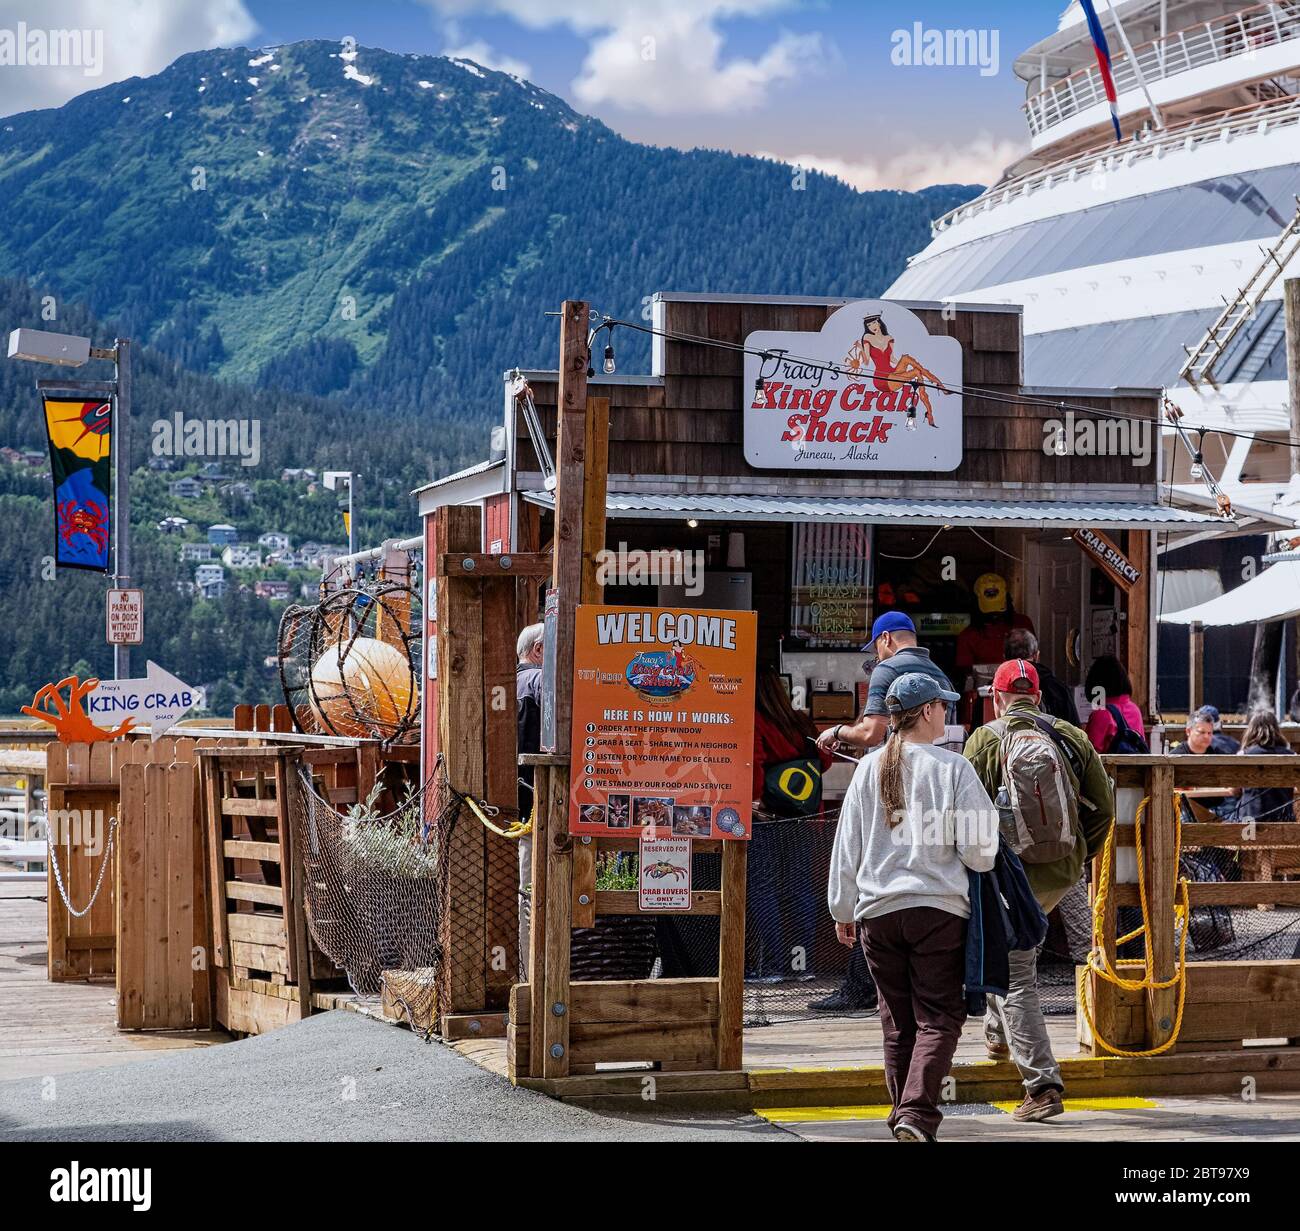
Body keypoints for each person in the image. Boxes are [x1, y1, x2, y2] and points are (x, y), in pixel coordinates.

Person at [828, 672, 998, 1141]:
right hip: (938, 911)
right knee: (939, 1017)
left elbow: (849, 847)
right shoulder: (953, 769)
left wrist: (843, 908)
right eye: (942, 705)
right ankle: (916, 1116)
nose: (946, 712)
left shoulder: (868, 768)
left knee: (898, 1022)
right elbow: (981, 853)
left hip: (877, 912)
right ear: (925, 711)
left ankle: (902, 1114)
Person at [963, 658, 1115, 1123]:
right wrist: (1072, 854)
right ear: (1040, 697)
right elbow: (1103, 810)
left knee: (1016, 970)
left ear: (997, 697)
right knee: (1013, 949)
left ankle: (1042, 1085)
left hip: (1008, 875)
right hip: (1062, 872)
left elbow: (964, 815)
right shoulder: (1071, 737)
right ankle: (997, 1033)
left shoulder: (985, 739)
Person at [748, 668, 834, 985]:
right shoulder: (799, 720)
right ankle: (802, 964)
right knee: (800, 889)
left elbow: (754, 766)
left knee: (763, 890)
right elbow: (822, 762)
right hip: (804, 820)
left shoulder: (754, 720)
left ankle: (773, 966)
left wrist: (754, 800)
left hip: (767, 819)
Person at [817, 611, 953, 753]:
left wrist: (836, 732)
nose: (877, 656)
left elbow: (870, 735)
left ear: (886, 637)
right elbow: (947, 736)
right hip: (935, 771)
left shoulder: (887, 669)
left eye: (876, 648)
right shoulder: (942, 676)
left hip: (893, 771)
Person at [515, 622, 545, 976]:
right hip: (535, 813)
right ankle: (531, 979)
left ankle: (527, 975)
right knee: (531, 896)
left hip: (514, 811)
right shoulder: (537, 683)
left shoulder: (507, 683)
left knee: (525, 895)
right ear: (538, 651)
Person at [955, 573, 1034, 674]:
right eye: (989, 612)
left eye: (998, 612)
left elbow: (1034, 661)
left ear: (1007, 600)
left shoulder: (1023, 624)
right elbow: (964, 674)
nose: (994, 616)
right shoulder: (968, 635)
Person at [1004, 627, 1077, 724]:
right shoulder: (1058, 688)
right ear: (1036, 656)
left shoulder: (992, 689)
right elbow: (1074, 729)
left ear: (1004, 657)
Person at [1233, 709, 1295, 823]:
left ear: (1251, 730)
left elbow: (1234, 790)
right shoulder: (1292, 756)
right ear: (1276, 729)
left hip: (1250, 821)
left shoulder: (1244, 755)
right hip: (1283, 821)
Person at [1082, 654, 1147, 754]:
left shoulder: (1101, 714)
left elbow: (1089, 755)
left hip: (1110, 769)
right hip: (1133, 768)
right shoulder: (1135, 710)